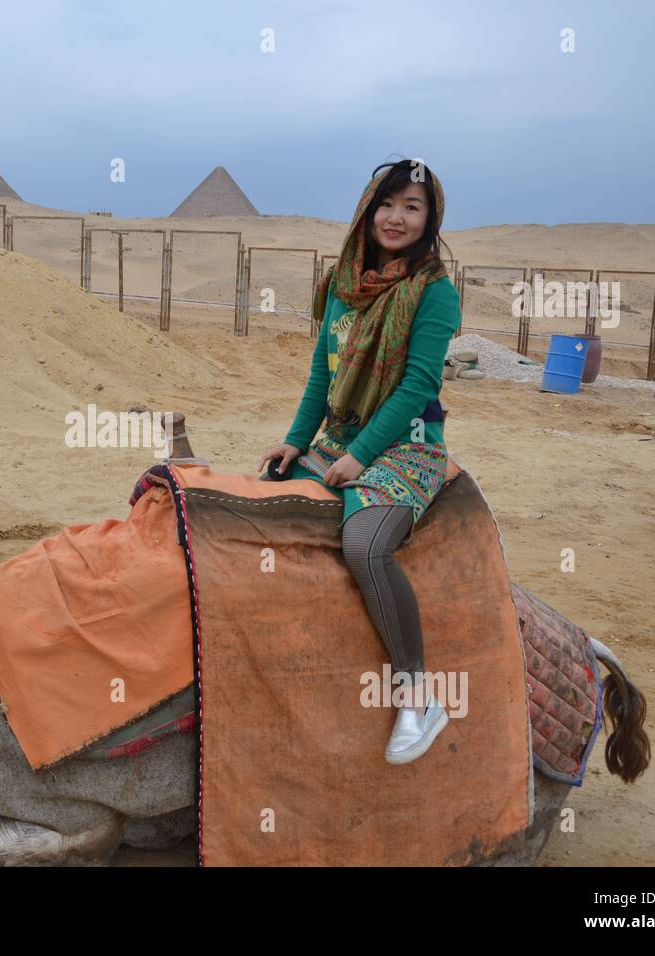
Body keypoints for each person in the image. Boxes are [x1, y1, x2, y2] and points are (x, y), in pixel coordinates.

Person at [257, 158, 462, 765]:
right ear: (369, 209)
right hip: (339, 437)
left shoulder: (434, 294)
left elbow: (415, 386)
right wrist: (297, 441)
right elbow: (323, 373)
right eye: (387, 203)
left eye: (412, 207)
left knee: (365, 547)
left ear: (430, 220)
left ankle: (418, 695)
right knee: (259, 497)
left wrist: (358, 455)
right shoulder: (343, 286)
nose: (396, 217)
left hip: (406, 444)